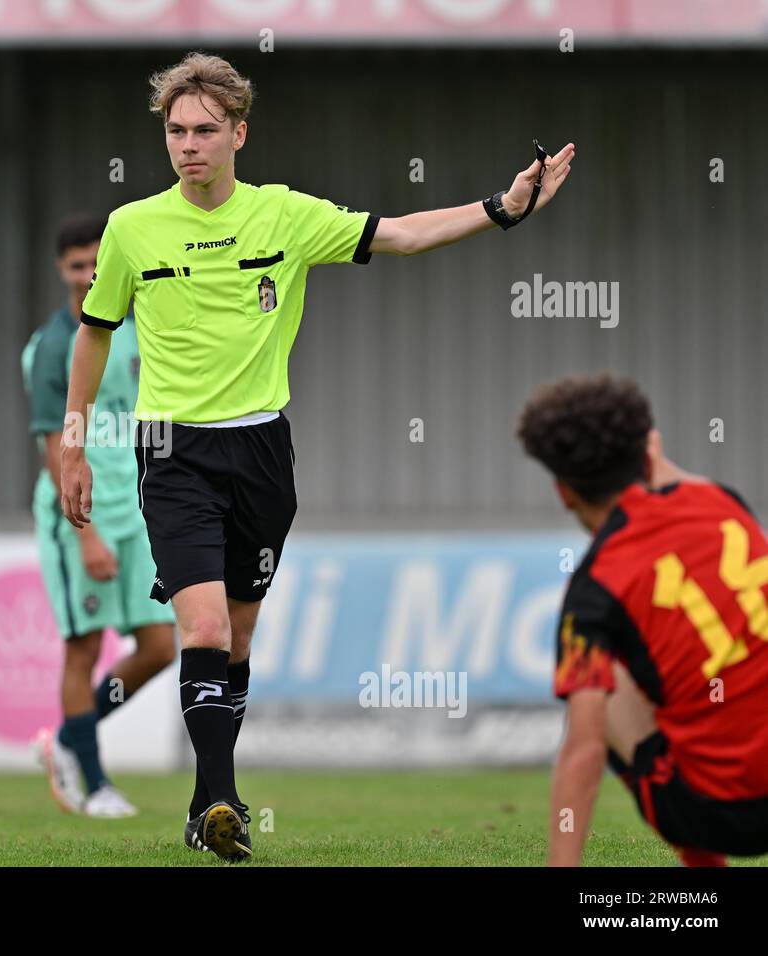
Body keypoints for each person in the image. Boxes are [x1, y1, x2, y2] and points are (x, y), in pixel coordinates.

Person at [58, 51, 575, 861]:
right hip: (170, 448)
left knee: (235, 639)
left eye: (203, 130)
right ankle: (226, 797)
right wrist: (76, 442)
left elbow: (399, 235)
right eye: (174, 131)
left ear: (238, 134)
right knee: (198, 623)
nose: (187, 144)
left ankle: (204, 806)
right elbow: (95, 333)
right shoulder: (132, 229)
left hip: (262, 447)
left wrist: (502, 209)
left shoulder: (285, 216)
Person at [518, 373, 768, 866]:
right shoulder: (723, 502)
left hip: (719, 815)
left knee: (604, 682)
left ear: (564, 492)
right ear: (650, 453)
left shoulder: (594, 591)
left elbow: (583, 751)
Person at [21, 214, 178, 818]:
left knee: (161, 646)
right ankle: (93, 782)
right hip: (80, 515)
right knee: (84, 648)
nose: (88, 276)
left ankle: (67, 737)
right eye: (76, 266)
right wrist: (83, 535)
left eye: (96, 264)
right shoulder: (53, 346)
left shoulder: (138, 330)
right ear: (61, 271)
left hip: (140, 511)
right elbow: (49, 449)